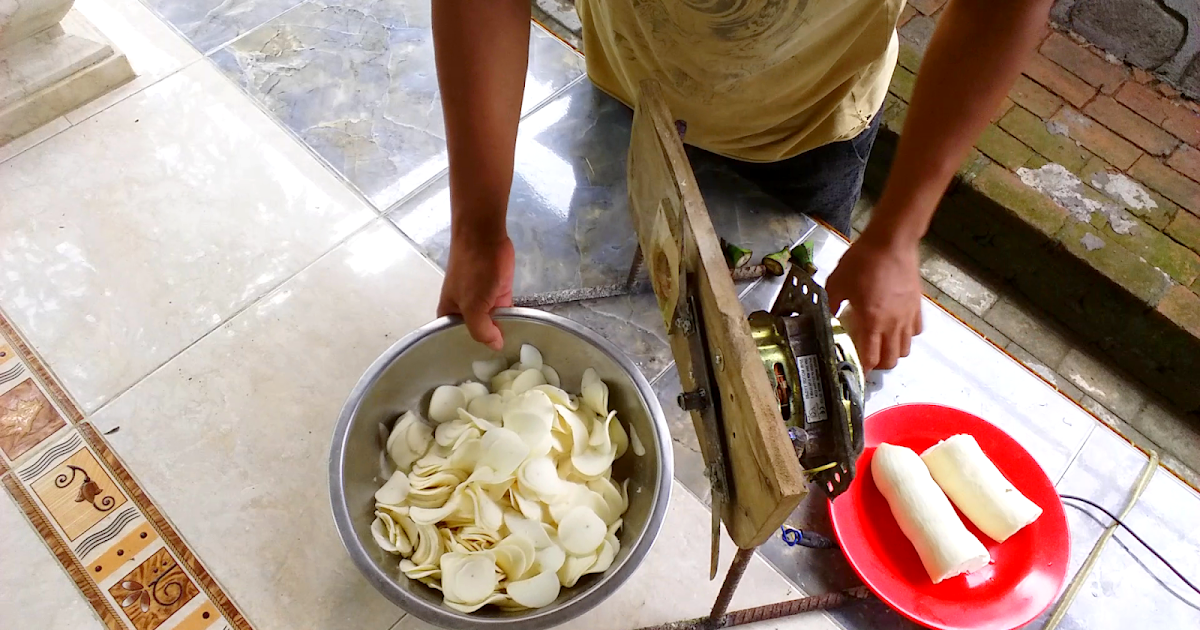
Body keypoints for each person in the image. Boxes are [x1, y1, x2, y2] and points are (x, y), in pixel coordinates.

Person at [432, 0, 1053, 371]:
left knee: (756, 353)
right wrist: (479, 225)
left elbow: (1000, 11)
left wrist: (896, 234)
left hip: (806, 136)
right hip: (626, 94)